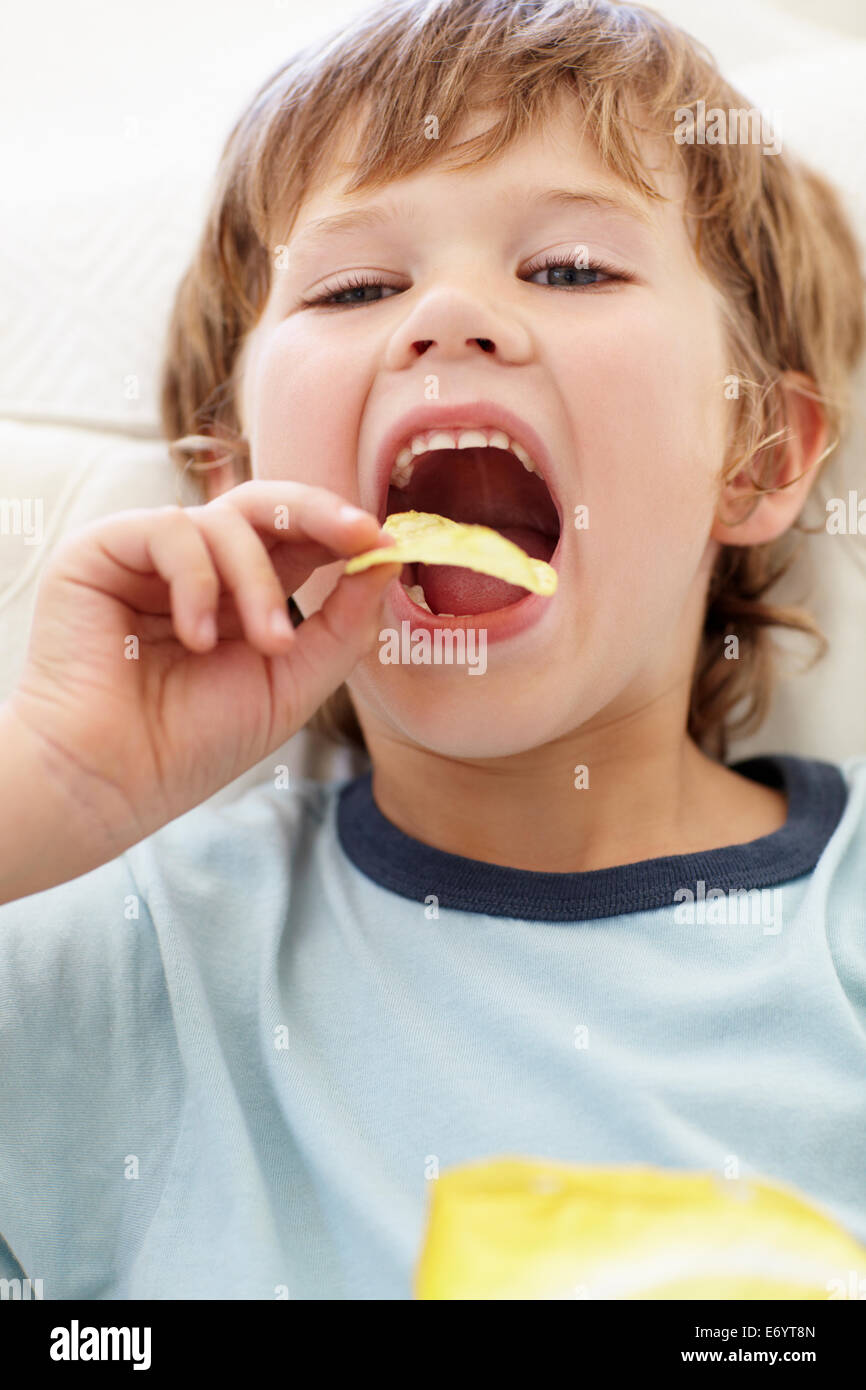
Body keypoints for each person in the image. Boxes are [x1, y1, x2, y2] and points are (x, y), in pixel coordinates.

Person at [1, 0, 864, 1300]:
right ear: (235, 480)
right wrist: (49, 788)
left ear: (757, 453)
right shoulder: (111, 956)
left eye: (570, 268)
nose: (449, 317)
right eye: (355, 287)